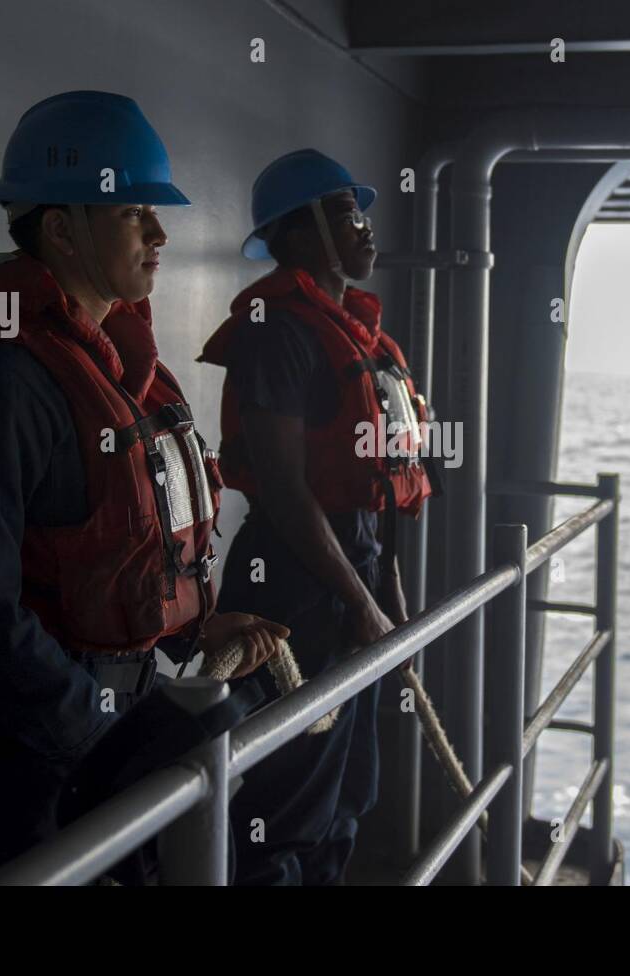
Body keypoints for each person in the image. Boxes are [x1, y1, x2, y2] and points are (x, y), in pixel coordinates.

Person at [0, 91, 287, 885]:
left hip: (119, 721)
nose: (160, 233)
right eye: (134, 212)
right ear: (62, 229)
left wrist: (189, 628)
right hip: (22, 757)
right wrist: (105, 736)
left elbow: (111, 551)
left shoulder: (122, 369)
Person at [199, 148, 436, 884]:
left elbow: (372, 499)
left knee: (350, 791)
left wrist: (388, 600)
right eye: (345, 215)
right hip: (293, 582)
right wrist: (361, 603)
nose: (366, 228)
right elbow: (283, 489)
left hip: (352, 570)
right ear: (297, 235)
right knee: (289, 802)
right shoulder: (276, 330)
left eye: (359, 214)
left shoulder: (355, 333)